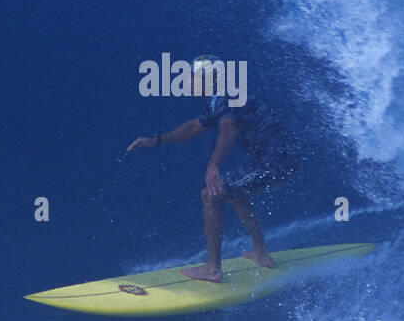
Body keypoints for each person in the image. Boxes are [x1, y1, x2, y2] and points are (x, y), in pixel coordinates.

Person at [127, 55, 301, 282]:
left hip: (277, 160)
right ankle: (262, 255)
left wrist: (213, 165)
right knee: (233, 193)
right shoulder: (220, 96)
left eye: (191, 76)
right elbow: (192, 128)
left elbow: (229, 130)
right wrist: (155, 140)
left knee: (211, 194)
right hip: (282, 158)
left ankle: (212, 270)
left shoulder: (220, 97)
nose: (186, 81)